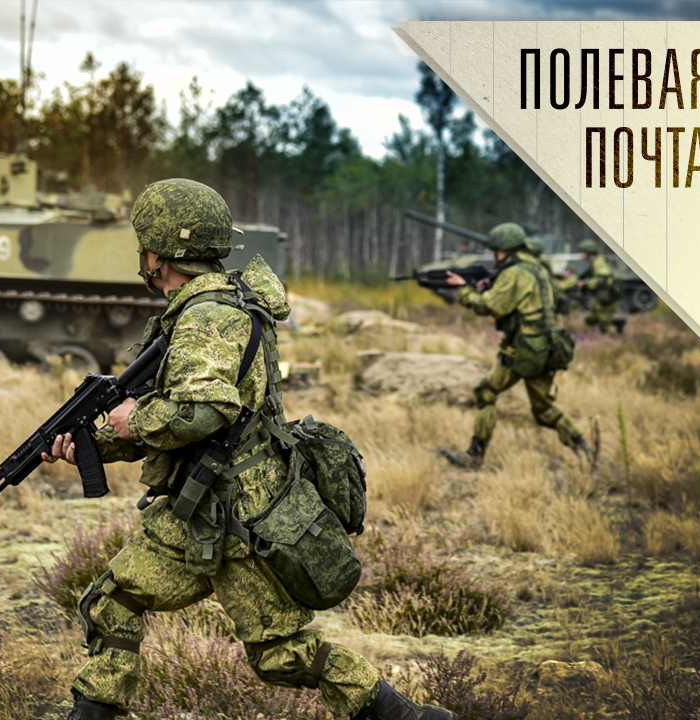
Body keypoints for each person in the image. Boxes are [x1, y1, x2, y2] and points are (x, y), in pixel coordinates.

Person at [43, 178, 456, 720]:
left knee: (279, 654)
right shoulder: (211, 306)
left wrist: (134, 418)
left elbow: (203, 412)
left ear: (158, 253)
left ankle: (409, 718)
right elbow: (179, 415)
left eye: (143, 245)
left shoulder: (209, 317)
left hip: (238, 516)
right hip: (200, 505)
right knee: (112, 601)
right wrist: (94, 443)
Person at [439, 223, 595, 470]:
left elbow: (490, 307)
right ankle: (585, 450)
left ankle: (474, 456)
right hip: (545, 347)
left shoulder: (514, 274)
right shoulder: (533, 268)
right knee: (543, 410)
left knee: (486, 391)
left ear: (508, 250)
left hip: (523, 350)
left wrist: (463, 290)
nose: (494, 255)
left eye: (497, 251)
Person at [571, 238, 624, 335]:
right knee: (590, 320)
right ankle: (615, 322)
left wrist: (585, 283)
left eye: (583, 252)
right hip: (600, 298)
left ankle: (616, 339)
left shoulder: (599, 262)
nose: (581, 255)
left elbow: (602, 279)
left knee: (604, 326)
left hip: (607, 298)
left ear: (589, 253)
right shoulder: (594, 263)